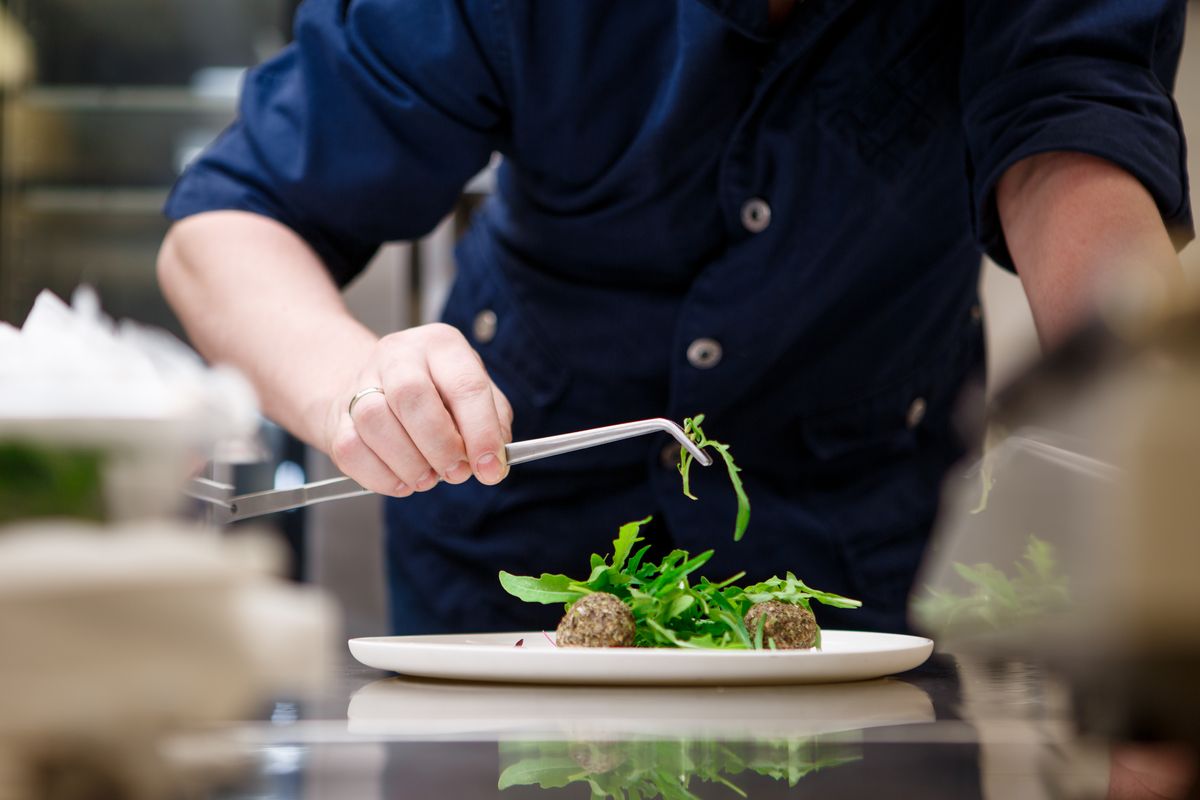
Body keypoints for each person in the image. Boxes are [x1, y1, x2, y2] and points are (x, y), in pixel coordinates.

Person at [157, 0, 1191, 635]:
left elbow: (1071, 130)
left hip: (847, 555)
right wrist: (354, 384)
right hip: (512, 558)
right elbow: (230, 225)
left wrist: (1157, 503)